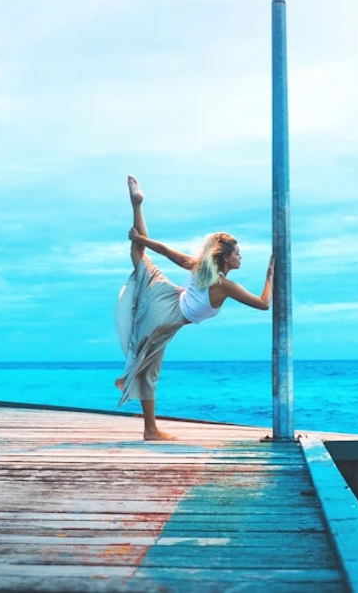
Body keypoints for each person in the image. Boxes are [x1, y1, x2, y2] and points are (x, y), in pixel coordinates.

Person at [114, 175, 274, 440]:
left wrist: (140, 239)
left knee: (139, 257)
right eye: (237, 253)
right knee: (148, 370)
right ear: (225, 258)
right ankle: (150, 430)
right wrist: (271, 274)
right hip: (169, 315)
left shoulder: (200, 267)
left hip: (169, 298)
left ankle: (137, 205)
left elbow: (165, 251)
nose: (240, 256)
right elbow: (264, 304)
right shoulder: (224, 285)